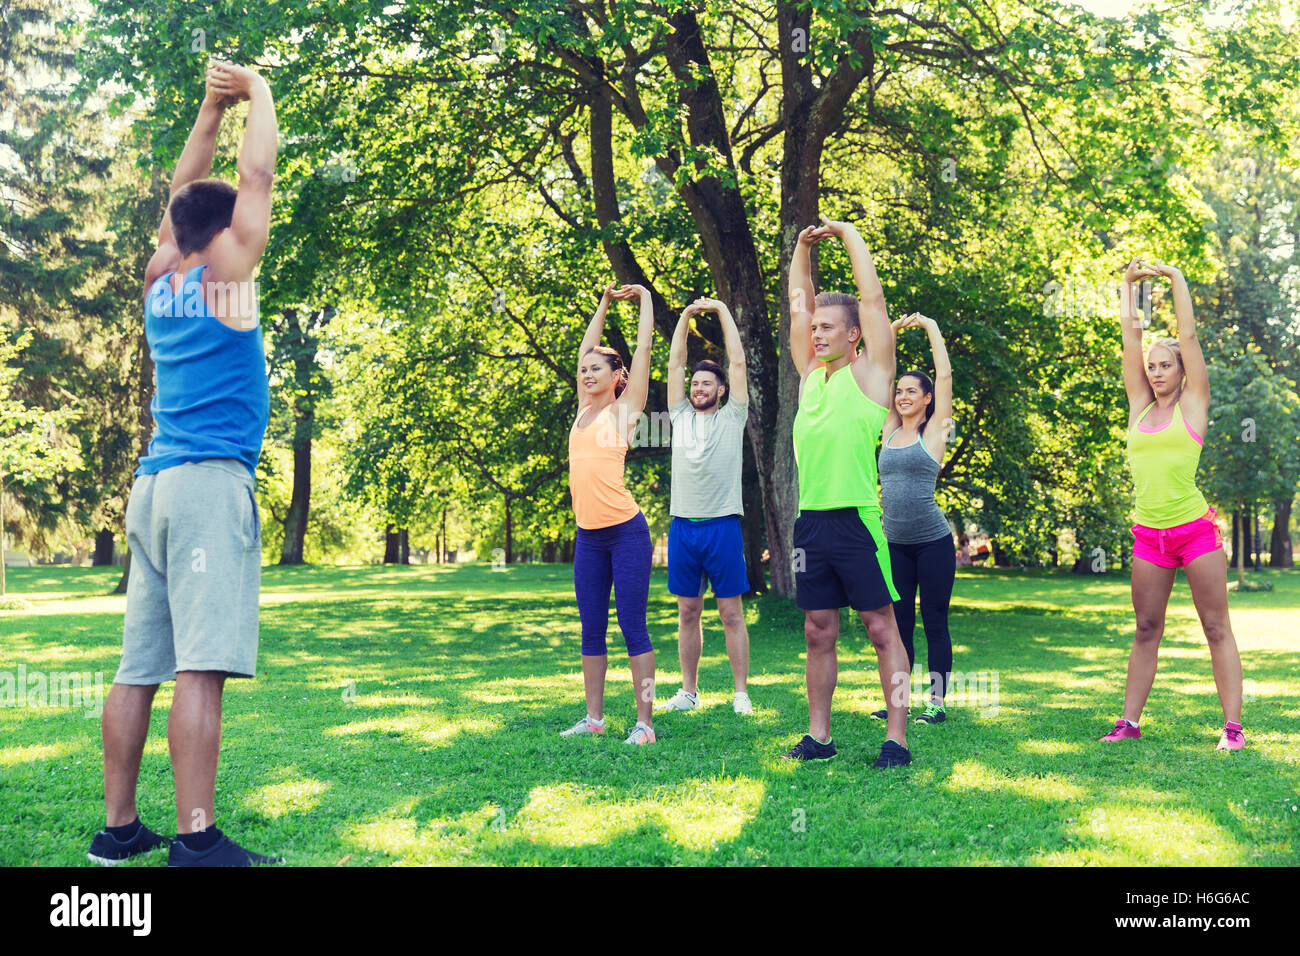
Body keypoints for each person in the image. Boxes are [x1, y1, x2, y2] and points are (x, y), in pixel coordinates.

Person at [88, 61, 282, 867]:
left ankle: (119, 828)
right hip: (205, 486)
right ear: (226, 229)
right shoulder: (226, 278)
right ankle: (197, 841)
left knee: (140, 668)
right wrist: (259, 90)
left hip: (155, 487)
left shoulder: (161, 273)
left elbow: (186, 186)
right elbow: (257, 170)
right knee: (199, 669)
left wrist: (210, 105)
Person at [784, 215, 913, 768]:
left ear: (853, 334)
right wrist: (800, 248)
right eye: (815, 329)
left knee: (881, 626)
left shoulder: (871, 377)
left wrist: (848, 236)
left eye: (829, 328)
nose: (817, 334)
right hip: (809, 524)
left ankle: (898, 738)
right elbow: (796, 303)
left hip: (857, 521)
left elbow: (875, 300)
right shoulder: (811, 375)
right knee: (818, 629)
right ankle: (819, 736)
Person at [1101, 259, 1244, 751]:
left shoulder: (1193, 403)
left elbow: (1189, 336)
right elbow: (1129, 341)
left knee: (1215, 625)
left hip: (1195, 531)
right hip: (1149, 536)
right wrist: (1127, 288)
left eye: (1166, 365)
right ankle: (1129, 721)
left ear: (1183, 372)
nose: (1157, 371)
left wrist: (1174, 280)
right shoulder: (1140, 406)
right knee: (1145, 628)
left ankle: (1232, 728)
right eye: (1153, 366)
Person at [561, 282, 658, 745]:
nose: (585, 373)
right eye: (582, 370)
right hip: (589, 537)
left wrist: (644, 301)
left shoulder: (625, 411)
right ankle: (594, 718)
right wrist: (601, 304)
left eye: (595, 369)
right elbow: (585, 345)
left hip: (626, 533)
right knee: (591, 627)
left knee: (632, 626)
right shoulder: (582, 409)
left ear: (617, 376)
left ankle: (645, 724)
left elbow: (642, 347)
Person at [660, 298, 753, 717]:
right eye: (694, 383)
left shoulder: (734, 415)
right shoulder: (678, 415)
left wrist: (720, 312)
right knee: (688, 611)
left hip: (723, 527)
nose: (698, 388)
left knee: (731, 612)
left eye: (706, 384)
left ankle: (740, 693)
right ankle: (689, 691)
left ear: (720, 391)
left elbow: (737, 361)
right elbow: (674, 364)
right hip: (683, 527)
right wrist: (683, 318)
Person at [873, 313, 955, 725]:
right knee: (898, 624)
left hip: (933, 544)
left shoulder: (936, 431)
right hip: (894, 544)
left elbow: (944, 374)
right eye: (900, 390)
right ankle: (898, 701)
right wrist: (888, 334)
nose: (903, 395)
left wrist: (929, 328)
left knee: (934, 621)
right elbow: (882, 369)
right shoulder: (888, 427)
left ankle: (936, 703)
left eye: (912, 391)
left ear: (926, 399)